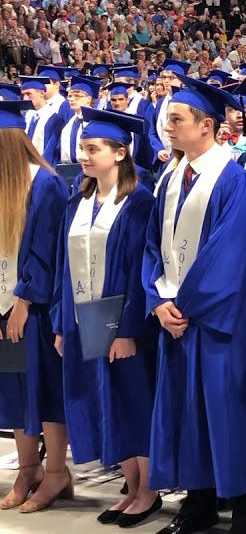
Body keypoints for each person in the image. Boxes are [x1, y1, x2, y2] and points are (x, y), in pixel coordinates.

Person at [143, 74, 246, 534]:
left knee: (228, 412)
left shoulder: (237, 183)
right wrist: (158, 300)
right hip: (176, 320)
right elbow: (151, 247)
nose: (167, 127)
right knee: (185, 412)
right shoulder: (170, 180)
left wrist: (184, 306)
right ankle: (198, 503)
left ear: (206, 126)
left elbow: (230, 257)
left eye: (176, 119)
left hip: (220, 323)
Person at [53, 108, 161, 527]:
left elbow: (141, 272)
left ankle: (149, 492)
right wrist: (62, 324)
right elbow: (64, 269)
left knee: (134, 404)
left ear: (120, 153)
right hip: (84, 322)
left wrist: (129, 330)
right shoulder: (77, 202)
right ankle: (131, 488)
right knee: (107, 405)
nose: (83, 156)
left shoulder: (140, 203)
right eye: (82, 148)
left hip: (123, 327)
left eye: (93, 148)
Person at [0, 100, 71, 514]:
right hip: (2, 304)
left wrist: (24, 300)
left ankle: (57, 472)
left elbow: (48, 250)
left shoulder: (44, 184)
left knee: (43, 389)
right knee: (12, 388)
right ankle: (28, 469)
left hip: (35, 307)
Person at [20, 75, 65, 164]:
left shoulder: (53, 118)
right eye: (23, 95)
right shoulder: (28, 115)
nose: (25, 98)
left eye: (29, 94)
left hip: (43, 165)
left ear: (41, 93)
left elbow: (51, 151)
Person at [54, 76, 98, 166]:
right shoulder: (70, 122)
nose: (71, 99)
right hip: (67, 168)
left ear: (88, 99)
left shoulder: (95, 120)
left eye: (77, 96)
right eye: (70, 96)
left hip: (88, 166)